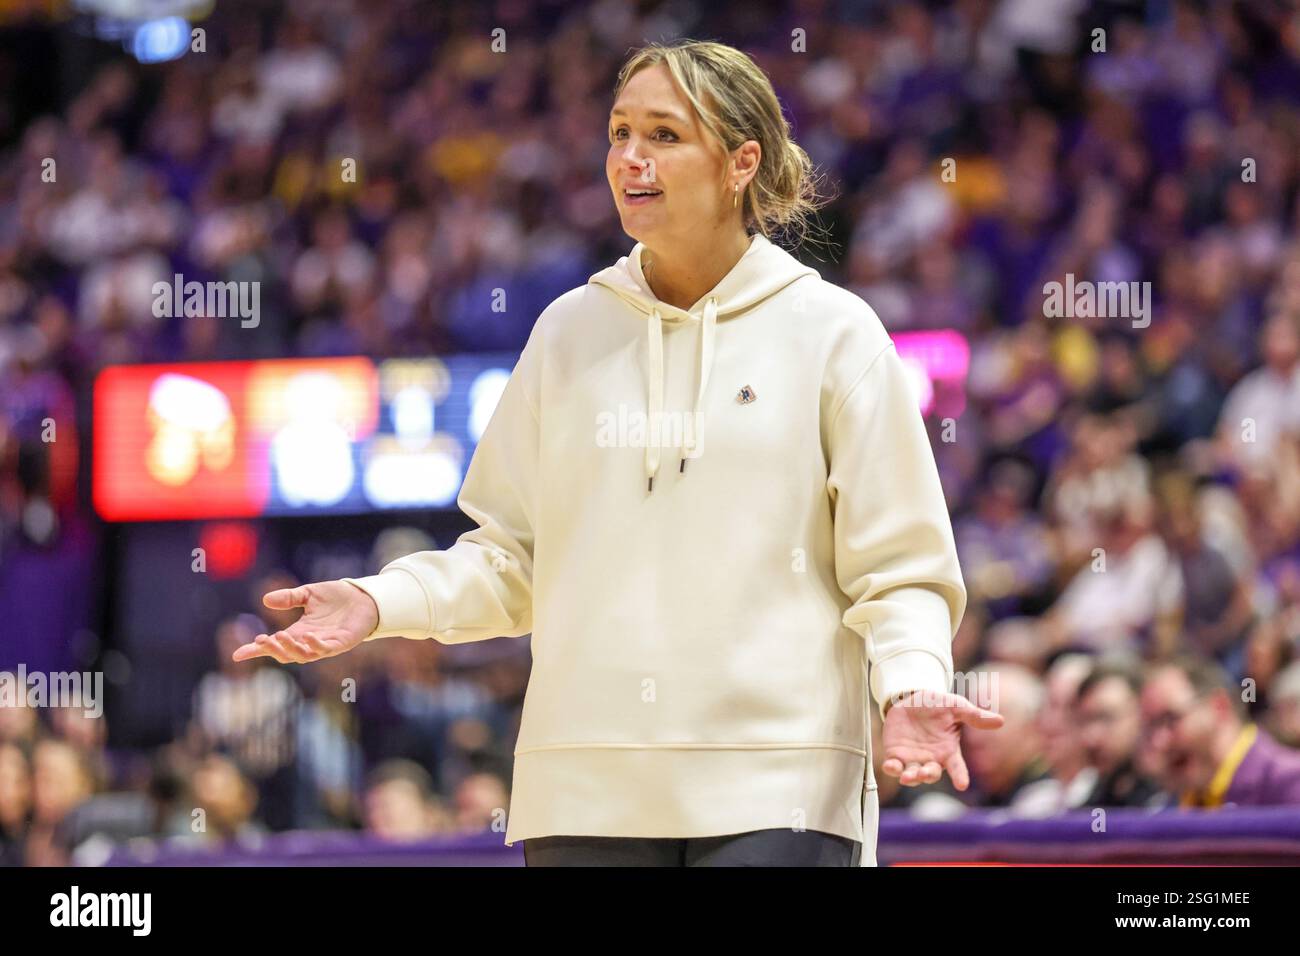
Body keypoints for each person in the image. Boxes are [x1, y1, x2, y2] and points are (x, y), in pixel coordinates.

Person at [232, 39, 1001, 867]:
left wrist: (913, 678)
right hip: (582, 786)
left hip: (782, 782)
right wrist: (379, 603)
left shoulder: (835, 335)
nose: (631, 158)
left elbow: (901, 567)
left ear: (742, 162)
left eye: (664, 135)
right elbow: (512, 558)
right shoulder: (567, 331)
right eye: (620, 131)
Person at [1140, 655, 1300, 808]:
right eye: (1150, 728)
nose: (1159, 741)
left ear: (1219, 706)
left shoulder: (1290, 783)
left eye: (1171, 719)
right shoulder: (1171, 802)